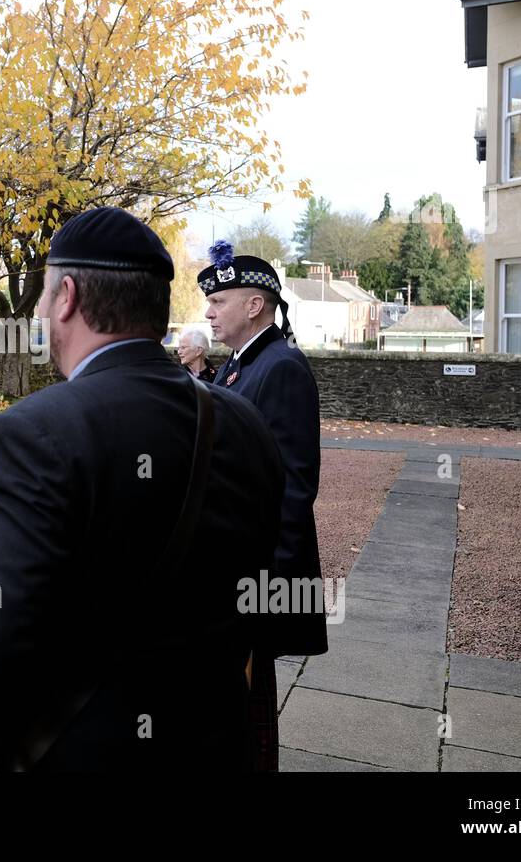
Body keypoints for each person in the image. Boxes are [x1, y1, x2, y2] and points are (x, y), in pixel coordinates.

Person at [0, 207, 283, 771]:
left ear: (66, 297)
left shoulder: (32, 434)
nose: (39, 311)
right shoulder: (243, 422)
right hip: (213, 745)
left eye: (44, 294)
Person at [199, 239, 327, 772]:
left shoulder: (282, 367)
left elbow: (294, 487)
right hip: (232, 564)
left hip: (253, 574)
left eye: (218, 301)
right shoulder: (240, 364)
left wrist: (267, 588)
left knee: (245, 710)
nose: (209, 312)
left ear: (254, 305)